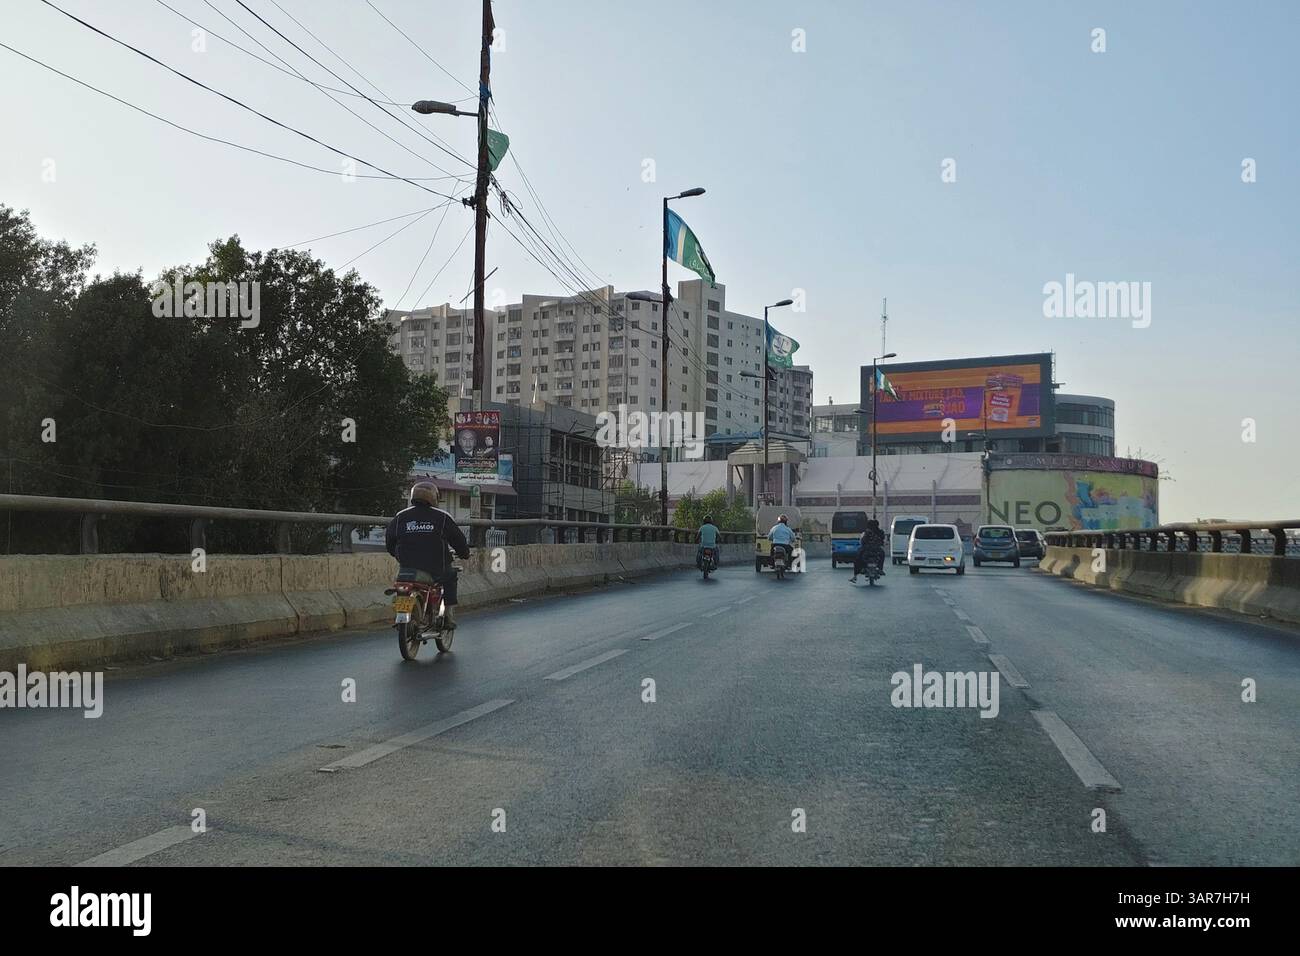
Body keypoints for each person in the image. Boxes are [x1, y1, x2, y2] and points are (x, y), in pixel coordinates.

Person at [385, 481, 470, 629]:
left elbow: (389, 542)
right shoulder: (442, 517)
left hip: (406, 570)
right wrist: (465, 554)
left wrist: (398, 555)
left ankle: (405, 613)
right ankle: (448, 617)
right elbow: (459, 541)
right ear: (434, 498)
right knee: (450, 577)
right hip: (436, 569)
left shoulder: (400, 517)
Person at [850, 518, 886, 583]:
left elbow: (863, 541)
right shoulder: (880, 532)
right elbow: (882, 541)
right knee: (882, 555)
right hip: (877, 550)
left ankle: (855, 575)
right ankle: (880, 569)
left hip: (867, 549)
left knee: (857, 557)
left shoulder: (867, 532)